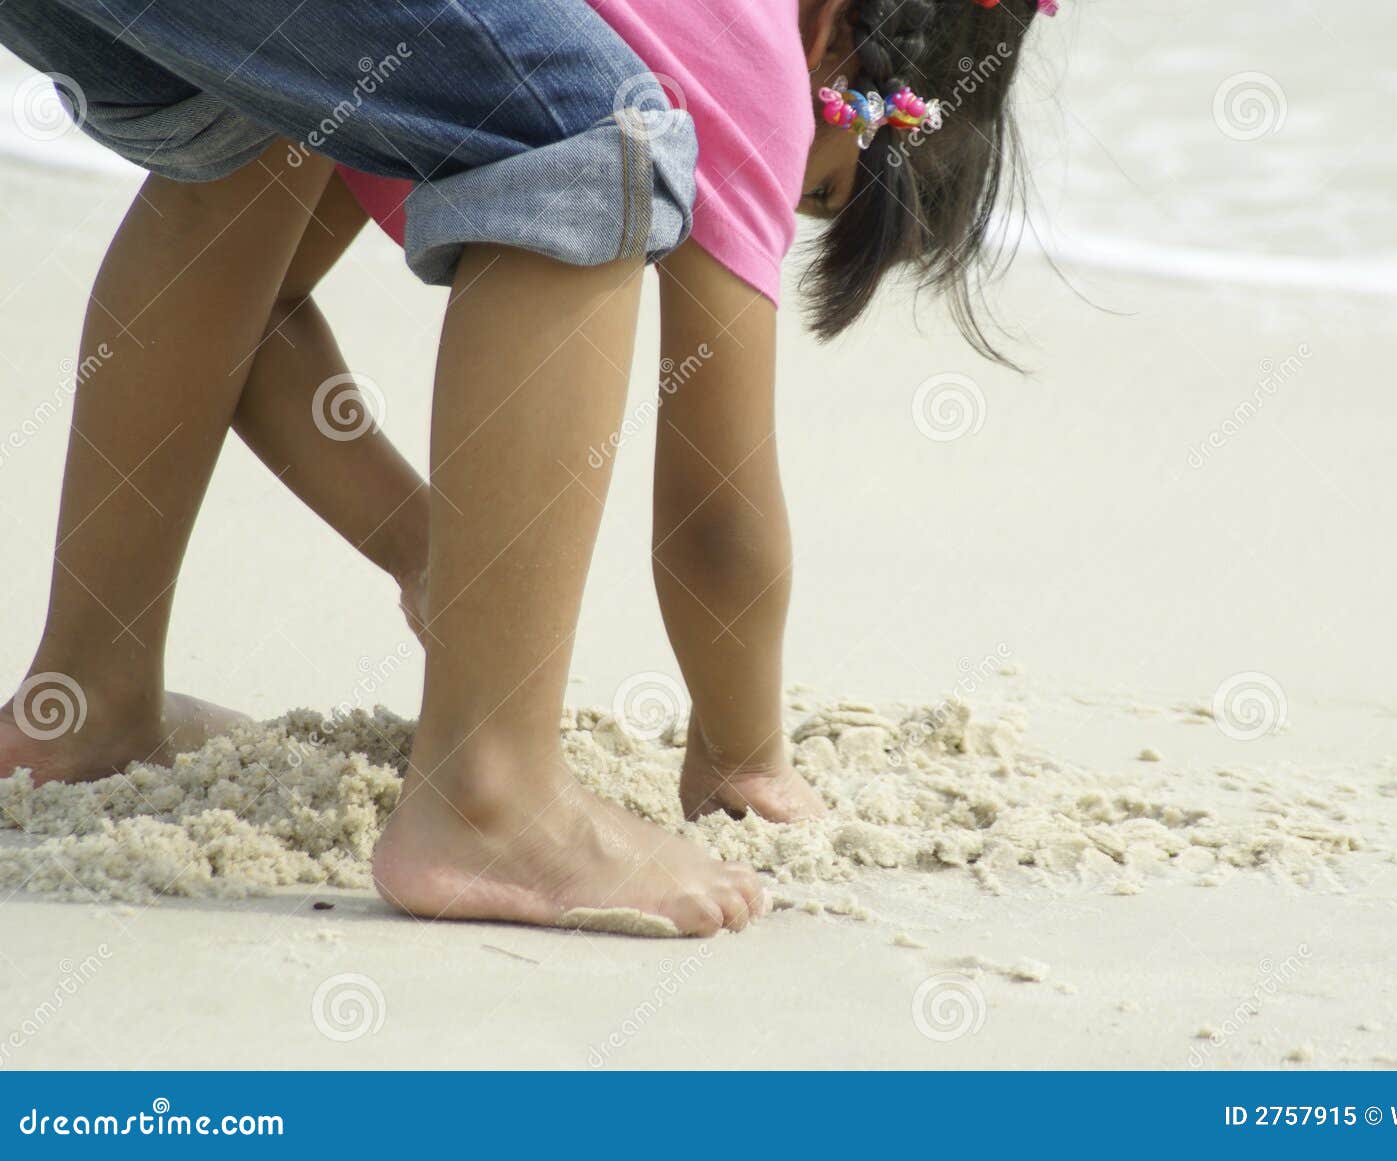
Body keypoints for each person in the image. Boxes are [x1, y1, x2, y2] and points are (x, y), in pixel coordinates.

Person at [0, 0, 1051, 934]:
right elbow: (717, 520)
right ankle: (489, 798)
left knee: (260, 143)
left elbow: (256, 319)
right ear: (841, 58)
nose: (763, 213)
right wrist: (745, 755)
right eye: (811, 189)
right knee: (596, 138)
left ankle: (84, 700)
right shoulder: (760, 61)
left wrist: (432, 555)